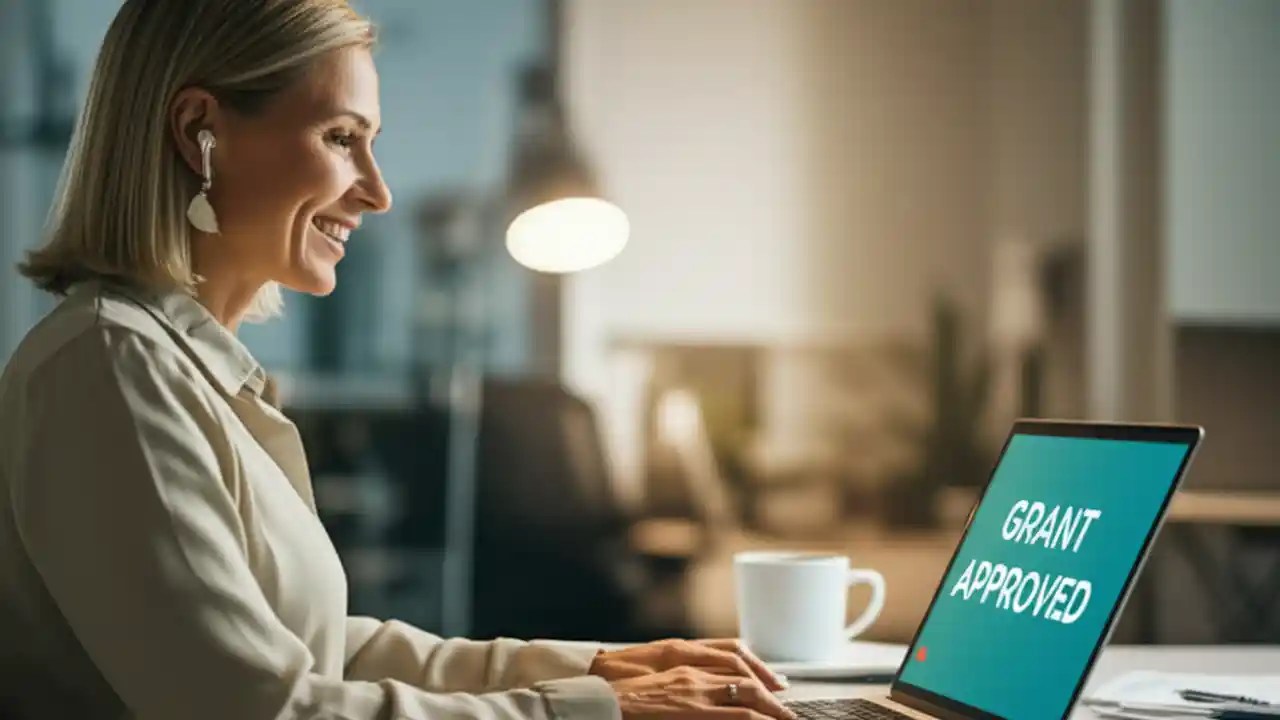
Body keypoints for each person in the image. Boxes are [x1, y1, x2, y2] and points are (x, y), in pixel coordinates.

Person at [0, 2, 798, 719]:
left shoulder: (179, 366)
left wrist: (597, 669)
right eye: (340, 138)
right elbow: (258, 708)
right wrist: (586, 710)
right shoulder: (109, 368)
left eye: (370, 144)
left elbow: (317, 651)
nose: (377, 192)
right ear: (198, 131)